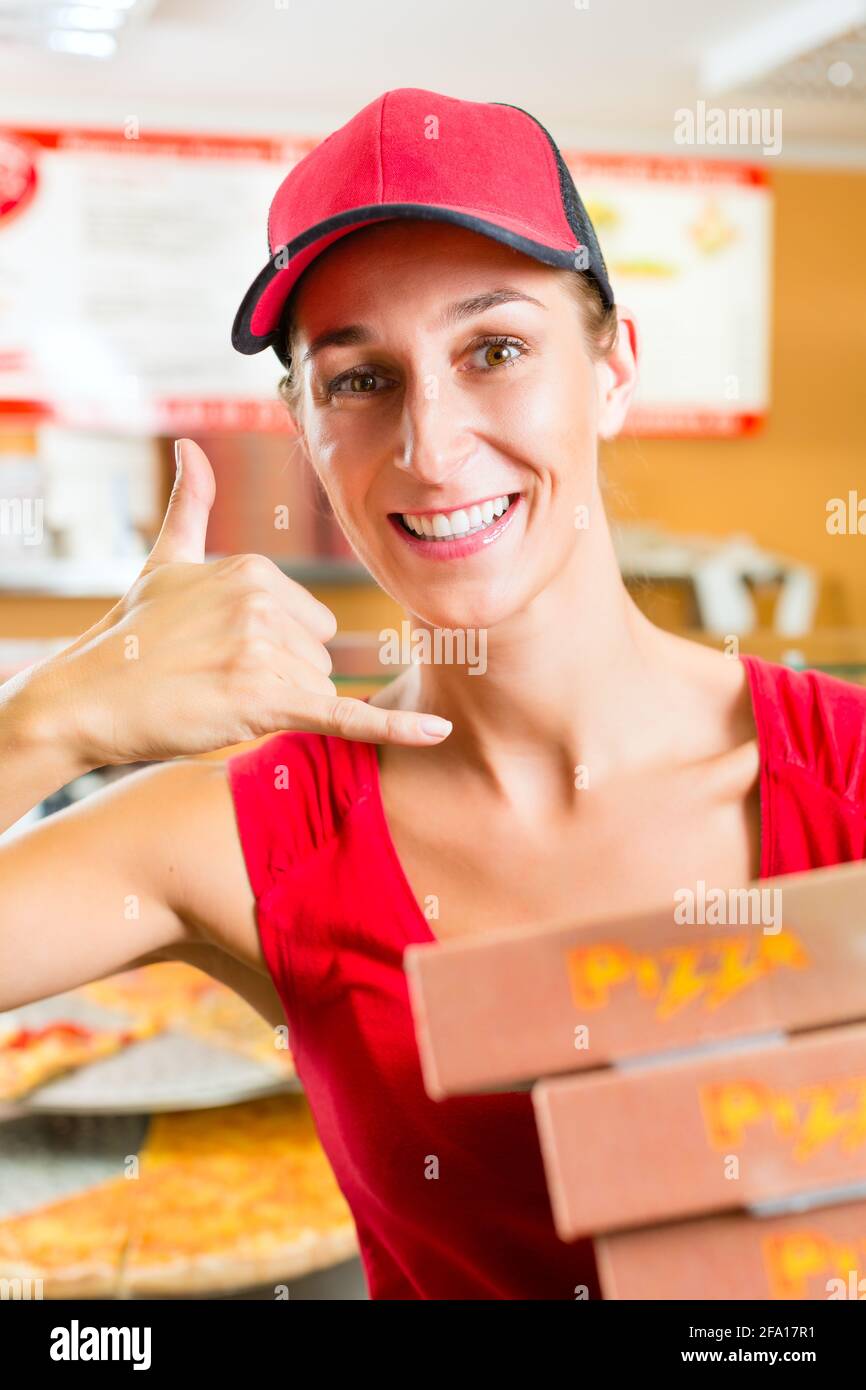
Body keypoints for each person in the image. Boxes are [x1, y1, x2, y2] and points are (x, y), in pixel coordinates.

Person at [1, 88, 864, 1301]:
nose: (431, 445)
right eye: (359, 380)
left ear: (612, 369)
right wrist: (53, 720)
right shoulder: (244, 838)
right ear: (302, 426)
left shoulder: (851, 773)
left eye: (494, 349)